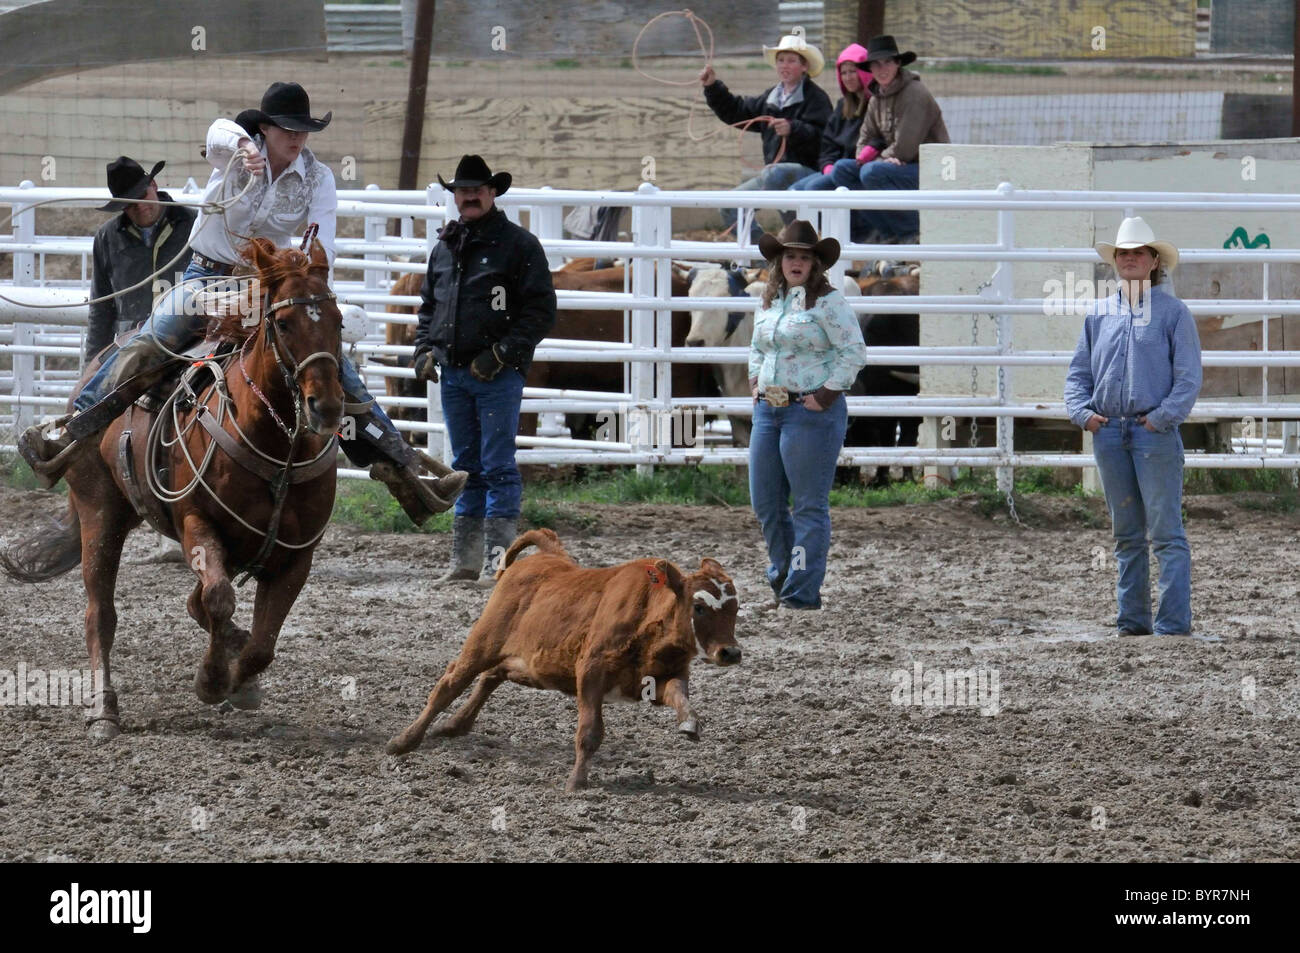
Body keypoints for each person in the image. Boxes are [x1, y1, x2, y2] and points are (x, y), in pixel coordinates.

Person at [19, 82, 465, 524]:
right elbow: (217, 131)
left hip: (270, 284)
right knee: (155, 337)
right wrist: (242, 146)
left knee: (328, 362)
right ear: (265, 129)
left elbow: (320, 242)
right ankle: (73, 429)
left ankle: (403, 467)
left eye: (303, 130)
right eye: (287, 129)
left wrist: (302, 281)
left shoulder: (318, 178)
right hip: (208, 276)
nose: (297, 138)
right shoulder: (234, 153)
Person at [412, 155, 557, 586]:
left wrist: (502, 353)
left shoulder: (518, 245)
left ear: (492, 193)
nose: (469, 195)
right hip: (457, 372)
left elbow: (540, 311)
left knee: (494, 465)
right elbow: (430, 307)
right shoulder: (446, 246)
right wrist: (424, 348)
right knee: (468, 464)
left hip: (496, 373)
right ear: (455, 197)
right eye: (462, 190)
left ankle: (498, 562)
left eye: (477, 189)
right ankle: (468, 562)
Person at [1064, 217, 1202, 637]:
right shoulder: (1099, 313)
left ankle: (1171, 623)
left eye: (1137, 253)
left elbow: (1188, 379)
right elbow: (1078, 374)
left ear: (1153, 260)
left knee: (1164, 533)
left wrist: (1159, 418)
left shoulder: (1174, 313)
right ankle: (1134, 621)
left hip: (1150, 431)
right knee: (1126, 533)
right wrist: (1082, 413)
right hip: (1110, 430)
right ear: (1116, 261)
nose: (1129, 259)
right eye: (1123, 253)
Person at [748, 220, 867, 610]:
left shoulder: (830, 303)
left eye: (803, 257)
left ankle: (800, 592)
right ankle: (784, 579)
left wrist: (828, 393)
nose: (796, 263)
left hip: (809, 410)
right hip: (769, 408)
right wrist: (754, 381)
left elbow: (854, 351)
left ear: (815, 265)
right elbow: (758, 347)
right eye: (790, 256)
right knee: (766, 501)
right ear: (779, 262)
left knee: (807, 505)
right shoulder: (770, 301)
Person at [699, 34, 832, 243]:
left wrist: (793, 129)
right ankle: (767, 254)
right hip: (775, 176)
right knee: (728, 206)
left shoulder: (817, 99)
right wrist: (713, 87)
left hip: (807, 175)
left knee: (776, 172)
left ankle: (791, 239)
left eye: (791, 60)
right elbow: (737, 112)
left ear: (804, 66)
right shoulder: (770, 98)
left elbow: (826, 139)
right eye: (781, 60)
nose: (784, 66)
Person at [826, 35, 949, 244]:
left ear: (898, 64)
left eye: (888, 62)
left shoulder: (915, 93)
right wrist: (866, 157)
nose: (882, 69)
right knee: (842, 170)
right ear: (870, 69)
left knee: (872, 172)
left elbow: (905, 148)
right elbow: (865, 138)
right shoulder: (876, 98)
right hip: (895, 166)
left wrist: (879, 160)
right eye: (876, 64)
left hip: (933, 170)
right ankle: (889, 232)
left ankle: (913, 231)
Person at [85, 156, 196, 363]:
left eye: (142, 195)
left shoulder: (195, 226)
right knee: (87, 392)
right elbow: (101, 308)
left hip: (188, 343)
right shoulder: (107, 238)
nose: (139, 207)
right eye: (129, 204)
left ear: (153, 185)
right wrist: (93, 360)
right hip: (131, 345)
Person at [787, 43, 884, 242]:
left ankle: (845, 240)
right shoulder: (842, 107)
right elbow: (828, 144)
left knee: (813, 191)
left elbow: (880, 138)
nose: (848, 77)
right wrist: (828, 165)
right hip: (836, 169)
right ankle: (814, 241)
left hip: (856, 168)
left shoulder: (877, 104)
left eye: (853, 71)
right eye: (844, 72)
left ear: (865, 72)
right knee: (794, 192)